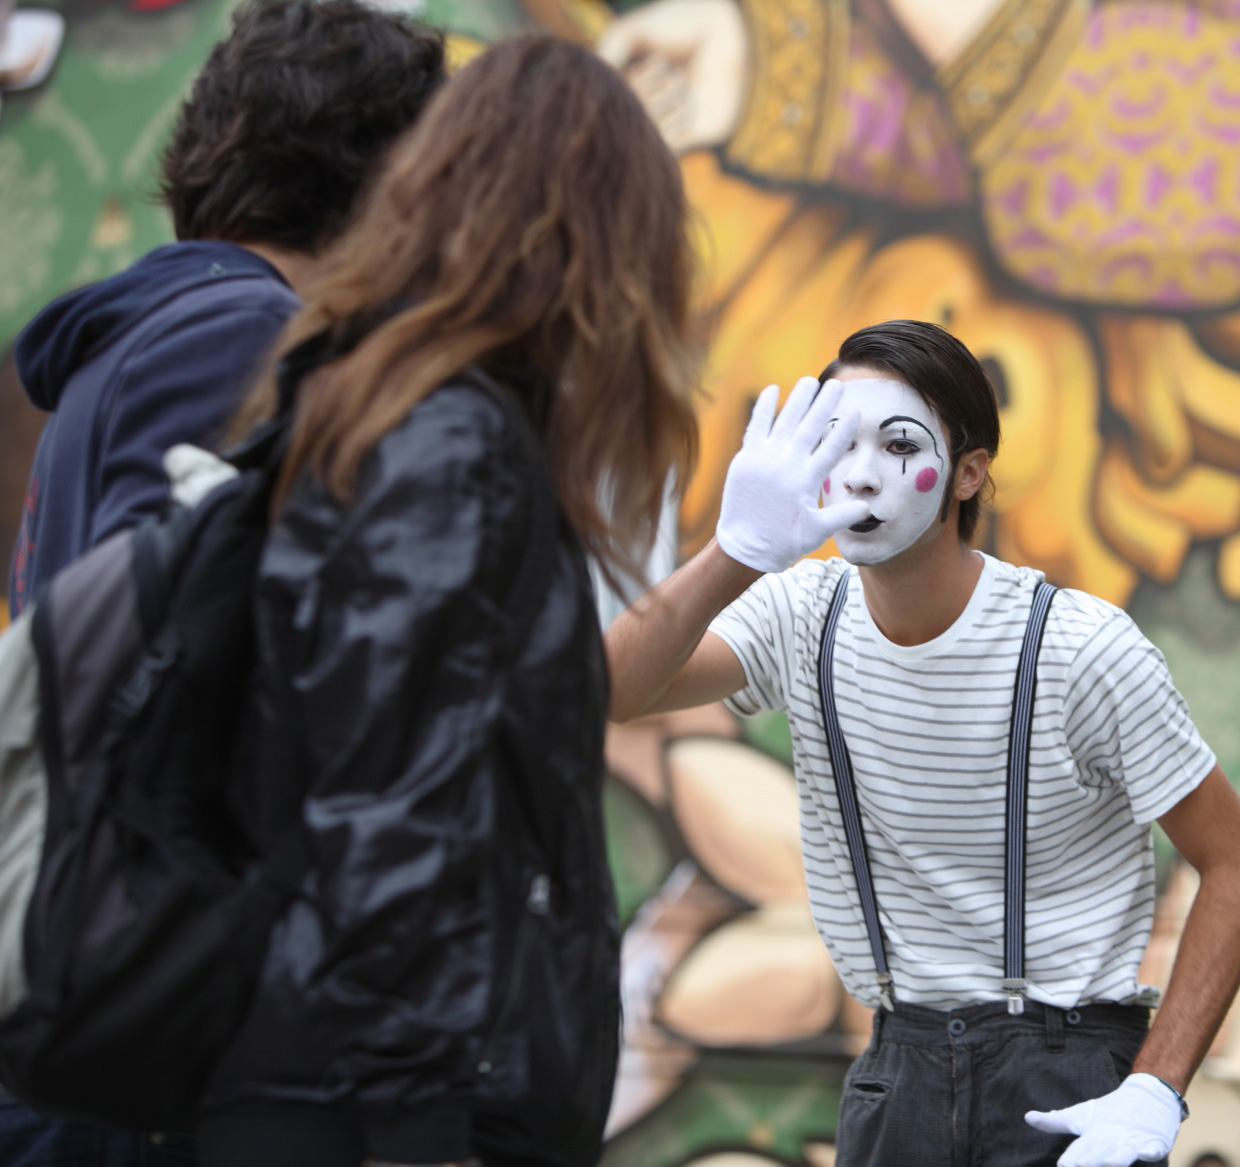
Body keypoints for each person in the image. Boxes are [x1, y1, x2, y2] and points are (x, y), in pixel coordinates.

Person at [198, 33, 699, 1167]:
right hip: (396, 1107)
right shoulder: (453, 443)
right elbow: (383, 800)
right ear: (591, 239)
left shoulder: (382, 408)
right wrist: (417, 1127)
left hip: (362, 1084)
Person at [605, 319, 1240, 1167]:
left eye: (898, 442)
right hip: (895, 1067)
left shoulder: (1080, 646)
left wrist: (1152, 1091)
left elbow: (1231, 859)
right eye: (837, 440)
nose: (859, 472)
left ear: (969, 470)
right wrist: (736, 550)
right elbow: (609, 691)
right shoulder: (800, 614)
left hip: (1071, 1074)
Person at [2, 2, 445, 1163]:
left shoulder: (152, 339)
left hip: (123, 1008)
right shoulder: (243, 337)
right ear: (388, 181)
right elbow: (196, 672)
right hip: (165, 1035)